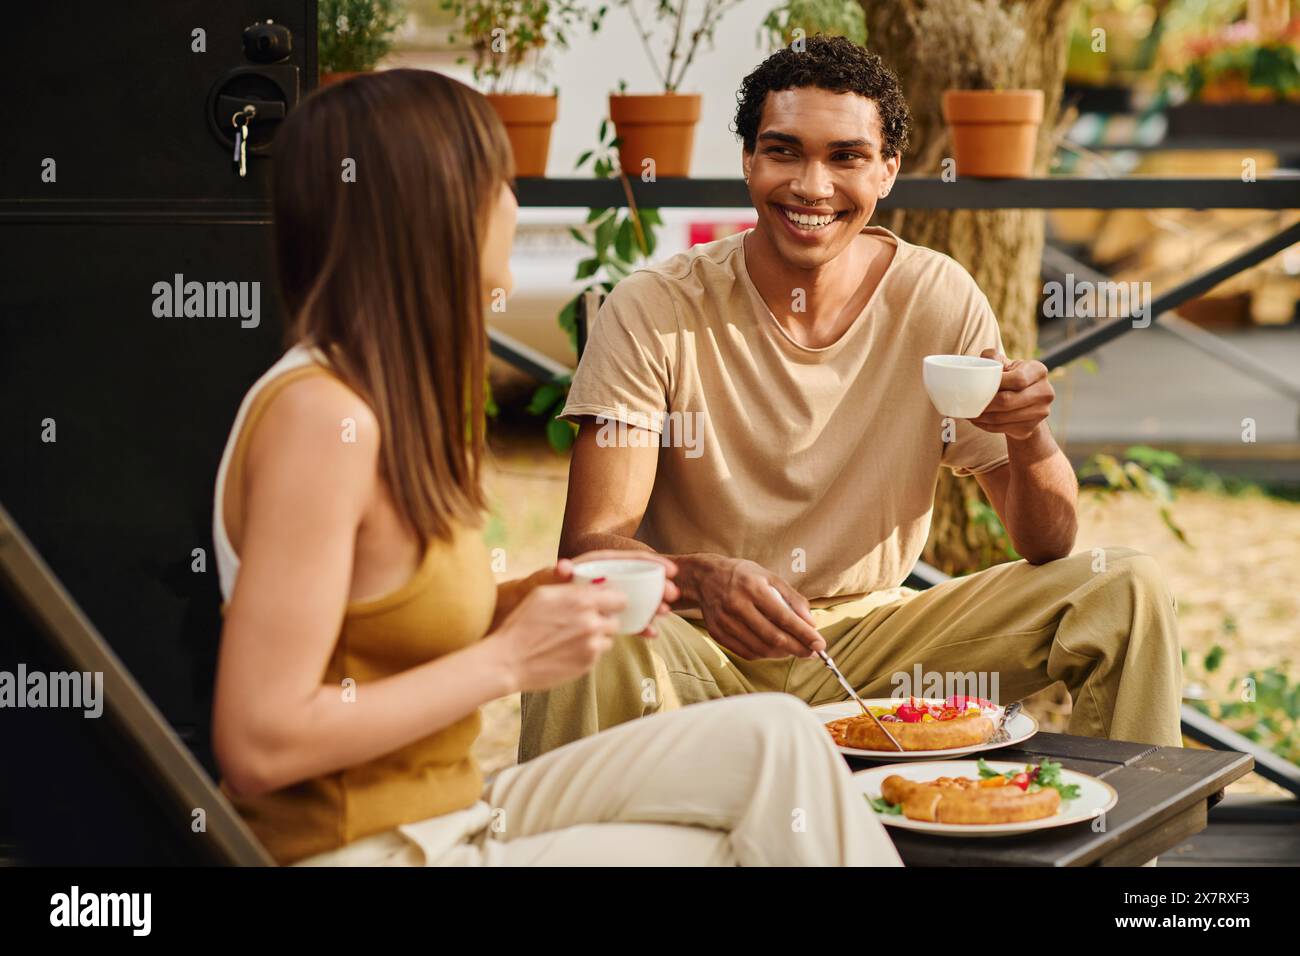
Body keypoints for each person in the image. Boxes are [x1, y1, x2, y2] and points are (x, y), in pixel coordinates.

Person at [209, 68, 901, 867]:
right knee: (730, 848)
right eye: (498, 180)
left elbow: (380, 633)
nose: (513, 203)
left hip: (452, 813)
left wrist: (535, 601)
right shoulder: (321, 417)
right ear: (431, 211)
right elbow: (259, 740)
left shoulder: (380, 400)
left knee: (775, 745)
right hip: (367, 850)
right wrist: (506, 661)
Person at [521, 36, 1182, 762]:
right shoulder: (655, 306)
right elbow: (588, 549)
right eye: (783, 151)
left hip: (872, 650)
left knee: (1124, 588)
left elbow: (1046, 543)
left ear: (888, 171)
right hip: (696, 651)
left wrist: (1031, 437)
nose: (812, 185)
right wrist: (698, 581)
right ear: (747, 161)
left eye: (846, 156)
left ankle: (1133, 855)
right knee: (584, 621)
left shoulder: (936, 296)